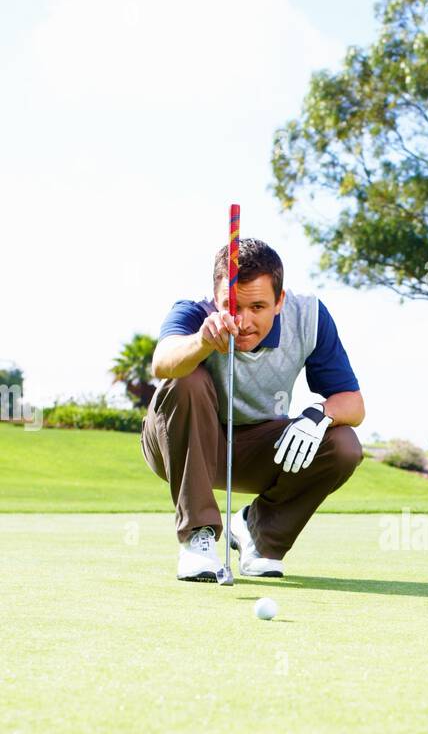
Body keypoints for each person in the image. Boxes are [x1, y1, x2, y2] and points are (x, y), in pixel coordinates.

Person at [141, 237, 365, 581]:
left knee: (343, 445)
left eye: (257, 307)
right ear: (215, 298)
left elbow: (353, 403)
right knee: (185, 379)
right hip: (180, 445)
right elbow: (162, 364)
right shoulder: (193, 313)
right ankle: (197, 538)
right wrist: (201, 342)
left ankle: (258, 532)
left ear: (280, 301)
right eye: (232, 307)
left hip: (257, 448)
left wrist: (318, 414)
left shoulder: (309, 317)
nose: (243, 322)